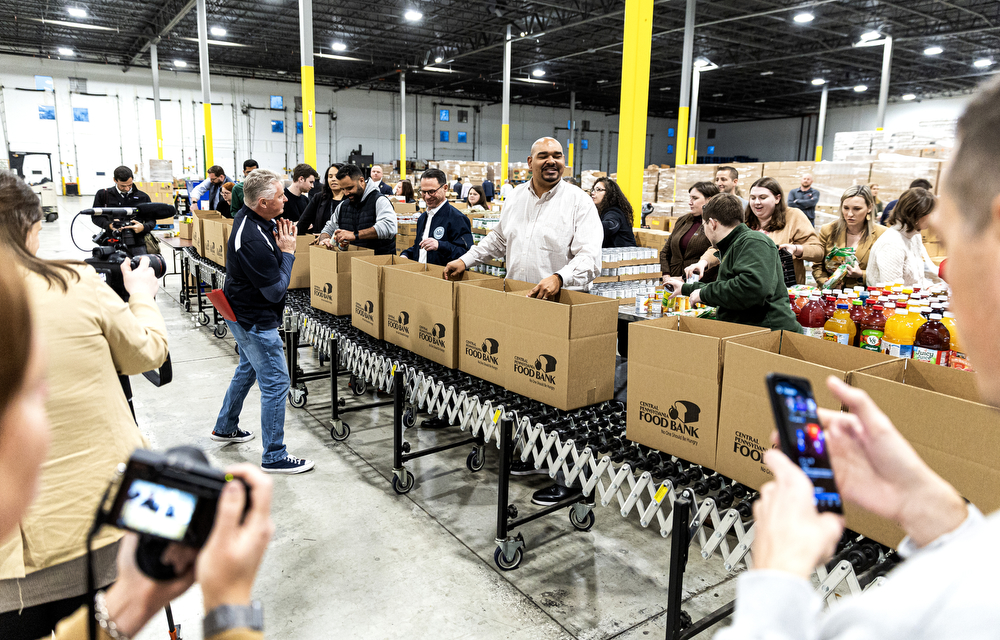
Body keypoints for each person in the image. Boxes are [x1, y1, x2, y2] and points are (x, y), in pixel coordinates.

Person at [715, 76, 1000, 640]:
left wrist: (777, 578)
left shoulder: (928, 616)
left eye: (951, 242)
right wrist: (940, 518)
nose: (947, 278)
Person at [0, 250, 275, 640]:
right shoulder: (74, 286)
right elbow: (148, 354)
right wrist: (228, 603)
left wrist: (132, 601)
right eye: (31, 395)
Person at [0, 171, 169, 638]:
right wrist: (140, 297)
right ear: (33, 227)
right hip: (94, 529)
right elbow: (147, 353)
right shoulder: (73, 282)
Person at [443, 137, 602, 507]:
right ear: (528, 161)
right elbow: (498, 240)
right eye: (544, 156)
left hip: (561, 307)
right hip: (520, 306)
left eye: (558, 156)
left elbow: (592, 256)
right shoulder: (515, 197)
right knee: (527, 386)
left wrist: (561, 277)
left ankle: (571, 478)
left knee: (563, 395)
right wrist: (466, 260)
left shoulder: (578, 202)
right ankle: (534, 455)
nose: (552, 161)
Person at [212, 169, 315, 475]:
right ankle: (274, 455)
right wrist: (288, 253)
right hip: (256, 319)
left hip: (240, 313)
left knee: (248, 368)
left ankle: (225, 426)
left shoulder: (256, 220)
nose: (286, 198)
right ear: (262, 203)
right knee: (276, 382)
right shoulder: (252, 239)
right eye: (280, 195)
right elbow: (274, 291)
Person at [663, 193, 801, 332]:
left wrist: (704, 294)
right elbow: (730, 288)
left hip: (769, 335)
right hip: (753, 332)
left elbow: (751, 289)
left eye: (703, 225)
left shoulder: (754, 241)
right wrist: (685, 288)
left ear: (712, 223)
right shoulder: (734, 245)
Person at [688, 177, 822, 285]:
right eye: (752, 198)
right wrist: (703, 263)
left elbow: (818, 251)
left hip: (782, 288)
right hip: (744, 287)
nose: (756, 202)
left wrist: (795, 249)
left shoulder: (794, 216)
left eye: (763, 197)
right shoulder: (742, 218)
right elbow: (721, 245)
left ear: (777, 198)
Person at [812, 185, 887, 289]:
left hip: (863, 297)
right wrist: (828, 283)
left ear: (869, 207)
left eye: (857, 209)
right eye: (846, 208)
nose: (850, 214)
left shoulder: (882, 234)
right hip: (830, 296)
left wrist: (862, 275)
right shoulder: (828, 230)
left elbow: (886, 272)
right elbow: (817, 266)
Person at [866, 187, 941, 288]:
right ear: (916, 214)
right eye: (930, 213)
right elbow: (893, 290)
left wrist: (931, 287)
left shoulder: (915, 236)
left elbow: (918, 279)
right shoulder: (892, 244)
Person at [317, 164, 397, 254]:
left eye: (349, 188)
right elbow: (328, 228)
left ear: (361, 181)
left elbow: (389, 227)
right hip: (353, 263)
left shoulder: (379, 201)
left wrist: (354, 235)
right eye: (343, 189)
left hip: (379, 262)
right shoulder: (343, 206)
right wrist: (324, 239)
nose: (346, 193)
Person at [399, 168, 472, 265]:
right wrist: (407, 254)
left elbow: (466, 254)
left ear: (445, 188)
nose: (427, 196)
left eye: (432, 191)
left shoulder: (457, 219)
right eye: (423, 192)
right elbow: (421, 248)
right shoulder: (422, 218)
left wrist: (440, 245)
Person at [660, 181, 719, 282]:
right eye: (690, 198)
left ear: (709, 200)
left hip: (699, 285)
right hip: (673, 282)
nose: (690, 202)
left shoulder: (715, 225)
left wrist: (684, 279)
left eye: (695, 198)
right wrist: (666, 275)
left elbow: (716, 260)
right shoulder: (682, 220)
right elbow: (665, 252)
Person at [90, 166, 155, 255]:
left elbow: (151, 220)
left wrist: (143, 227)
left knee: (140, 266)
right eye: (123, 186)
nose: (127, 188)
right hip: (111, 241)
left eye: (130, 185)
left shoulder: (143, 197)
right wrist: (109, 225)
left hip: (137, 243)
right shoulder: (103, 195)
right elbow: (95, 217)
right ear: (115, 180)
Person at [297, 163, 344, 235]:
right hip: (321, 244)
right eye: (330, 176)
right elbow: (303, 223)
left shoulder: (351, 199)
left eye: (337, 176)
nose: (333, 179)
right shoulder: (318, 198)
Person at [590, 177, 636, 248]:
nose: (593, 193)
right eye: (593, 190)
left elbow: (611, 226)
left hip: (624, 256)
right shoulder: (601, 211)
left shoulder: (614, 211)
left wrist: (586, 225)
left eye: (598, 190)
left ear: (609, 193)